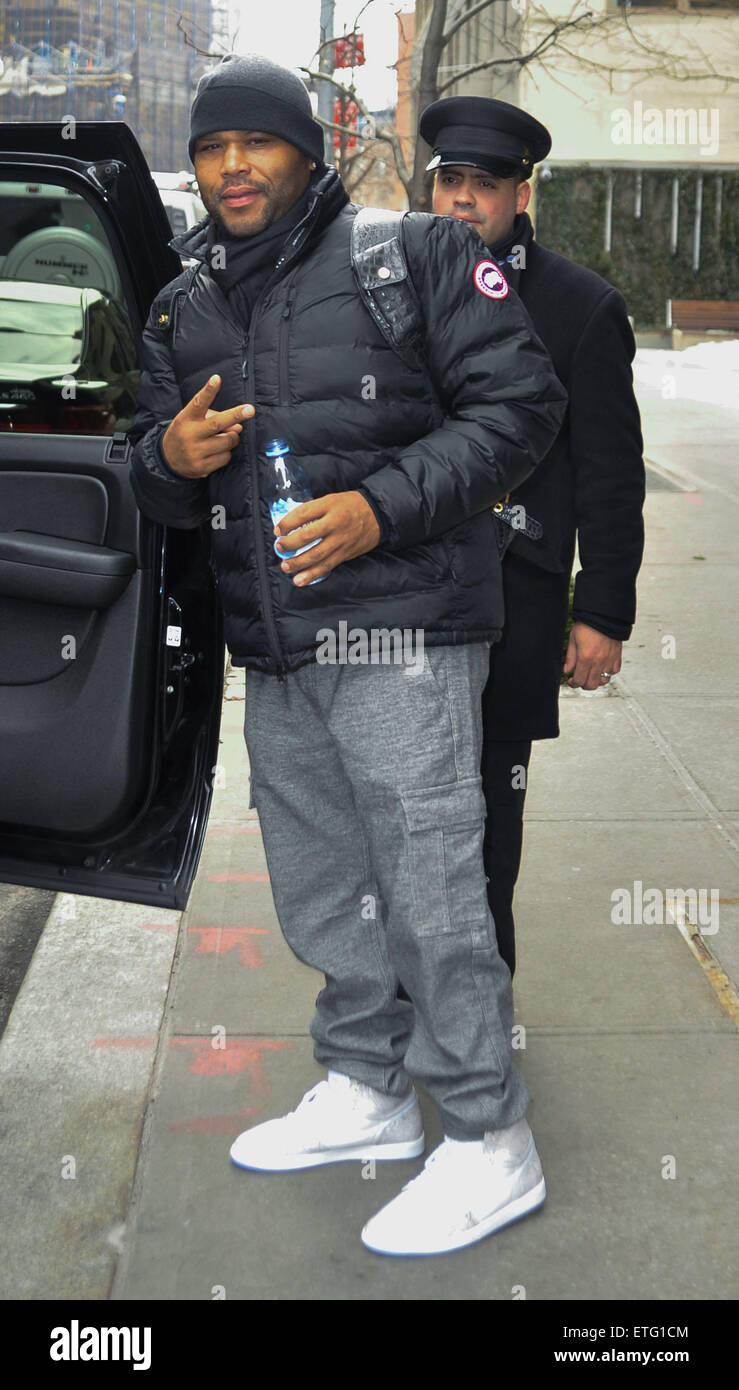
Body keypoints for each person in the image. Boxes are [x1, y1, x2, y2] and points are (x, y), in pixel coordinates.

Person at [128, 55, 567, 1257]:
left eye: (254, 144)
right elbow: (148, 481)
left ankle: (489, 1138)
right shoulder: (183, 307)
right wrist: (170, 454)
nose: (230, 167)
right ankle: (368, 1087)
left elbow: (521, 408)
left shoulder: (409, 256)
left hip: (406, 636)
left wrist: (379, 506)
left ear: (305, 152)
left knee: (430, 892)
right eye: (212, 149)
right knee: (325, 889)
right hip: (276, 652)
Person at [421, 96, 646, 979]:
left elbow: (610, 473)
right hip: (402, 597)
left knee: (486, 813)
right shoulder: (391, 283)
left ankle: (478, 1013)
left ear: (523, 194)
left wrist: (603, 612)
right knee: (398, 809)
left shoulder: (580, 307)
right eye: (450, 181)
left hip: (515, 600)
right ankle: (399, 1003)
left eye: (485, 184)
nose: (463, 200)